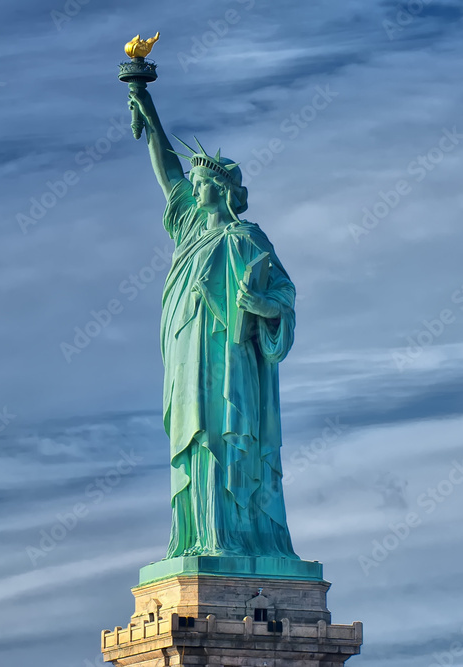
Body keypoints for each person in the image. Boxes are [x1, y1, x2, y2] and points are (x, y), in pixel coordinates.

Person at [128, 88, 300, 559]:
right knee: (195, 435)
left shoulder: (247, 237)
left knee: (224, 433)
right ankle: (198, 536)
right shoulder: (189, 230)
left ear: (221, 190)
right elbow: (169, 174)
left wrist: (262, 305)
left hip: (230, 355)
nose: (194, 186)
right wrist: (146, 105)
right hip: (188, 353)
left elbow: (284, 295)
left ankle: (234, 536)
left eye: (202, 182)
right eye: (196, 181)